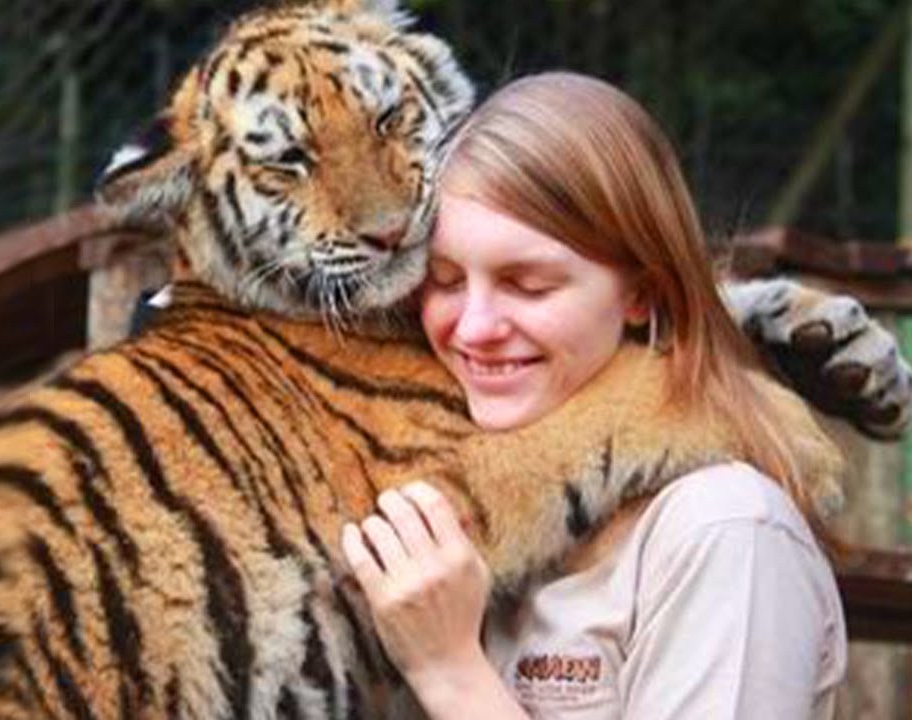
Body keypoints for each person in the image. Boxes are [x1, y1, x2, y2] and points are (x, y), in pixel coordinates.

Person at [338, 72, 847, 720]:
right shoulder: (450, 482)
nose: (473, 329)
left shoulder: (725, 532)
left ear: (643, 294)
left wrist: (450, 669)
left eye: (529, 285)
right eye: (444, 280)